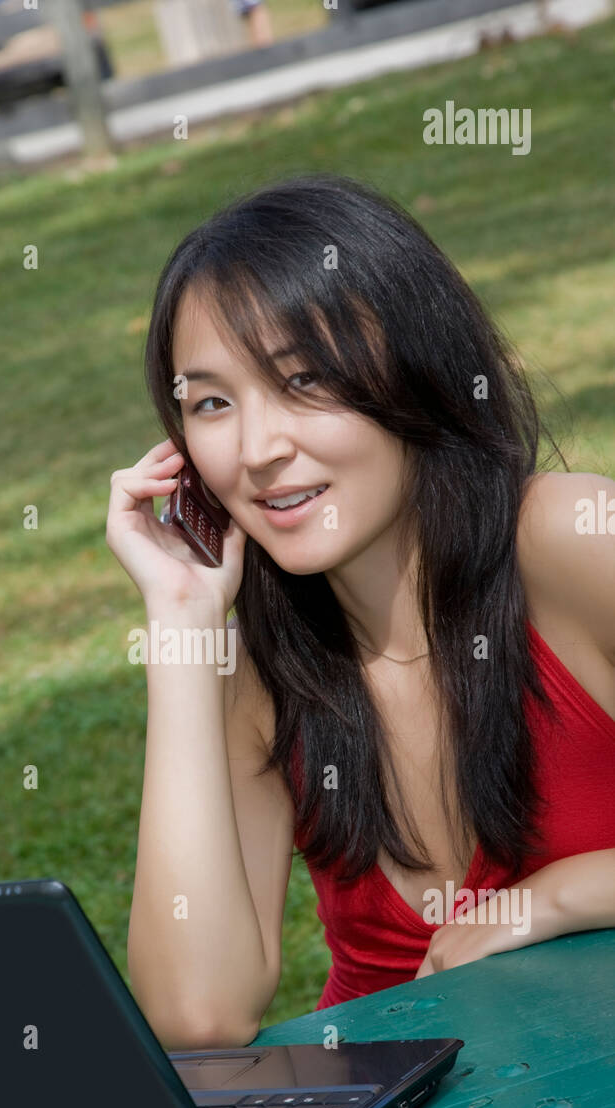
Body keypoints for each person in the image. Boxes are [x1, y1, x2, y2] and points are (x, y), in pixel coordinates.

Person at [106, 174, 615, 1051]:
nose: (259, 451)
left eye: (305, 380)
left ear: (417, 369)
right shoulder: (262, 674)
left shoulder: (569, 540)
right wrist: (184, 630)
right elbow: (198, 1017)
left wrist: (559, 895)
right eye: (213, 403)